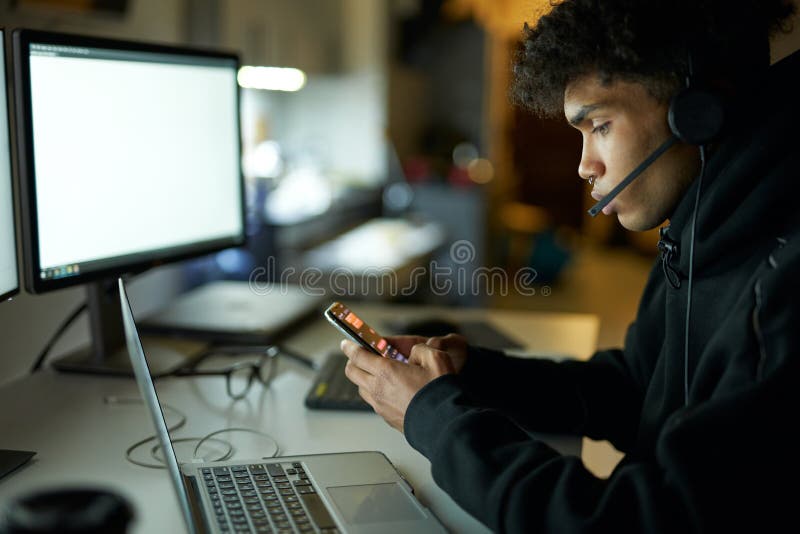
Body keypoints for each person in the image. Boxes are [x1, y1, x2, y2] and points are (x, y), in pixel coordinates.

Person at [341, 0, 800, 532]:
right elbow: (634, 390)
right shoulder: (700, 229)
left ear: (697, 114)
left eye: (600, 126)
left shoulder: (782, 289)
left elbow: (643, 521)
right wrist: (478, 376)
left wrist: (439, 422)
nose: (586, 165)